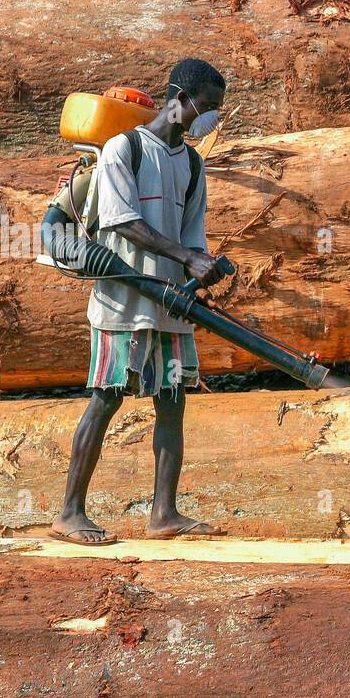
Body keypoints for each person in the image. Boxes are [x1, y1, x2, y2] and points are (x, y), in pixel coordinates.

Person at [49, 58, 229, 545]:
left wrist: (203, 264)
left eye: (215, 109)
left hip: (171, 304)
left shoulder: (191, 163)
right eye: (204, 106)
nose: (207, 117)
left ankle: (164, 514)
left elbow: (194, 233)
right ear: (177, 97)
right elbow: (121, 221)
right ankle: (69, 513)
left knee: (172, 405)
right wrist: (185, 257)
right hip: (123, 298)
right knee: (106, 399)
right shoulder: (122, 149)